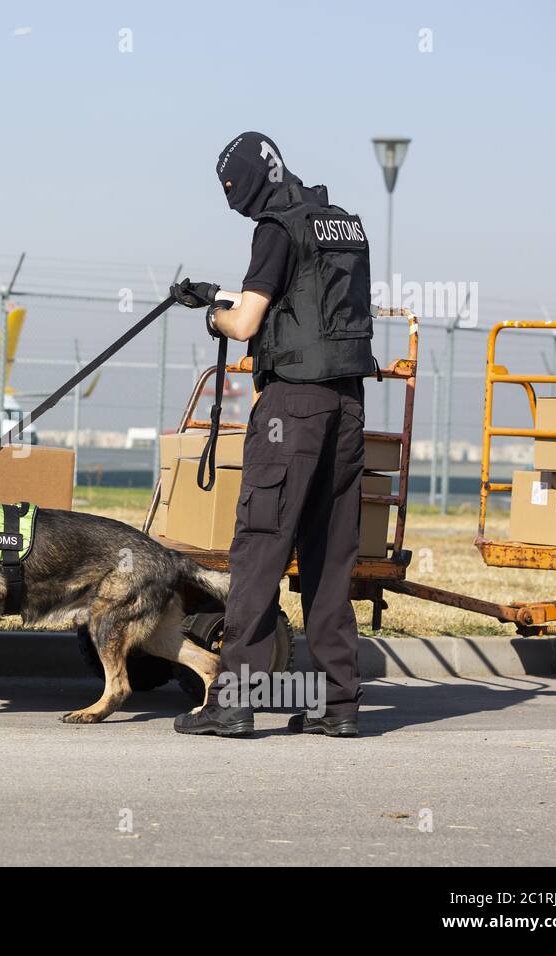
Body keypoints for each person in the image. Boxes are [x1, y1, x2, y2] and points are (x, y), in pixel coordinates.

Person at [171, 132, 378, 739]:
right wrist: (218, 291)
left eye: (230, 187)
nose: (232, 200)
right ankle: (338, 706)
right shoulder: (340, 224)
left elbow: (245, 323)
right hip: (347, 407)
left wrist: (210, 311)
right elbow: (299, 303)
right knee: (330, 556)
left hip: (293, 409)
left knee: (260, 550)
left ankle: (232, 704)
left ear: (248, 180)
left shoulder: (275, 228)